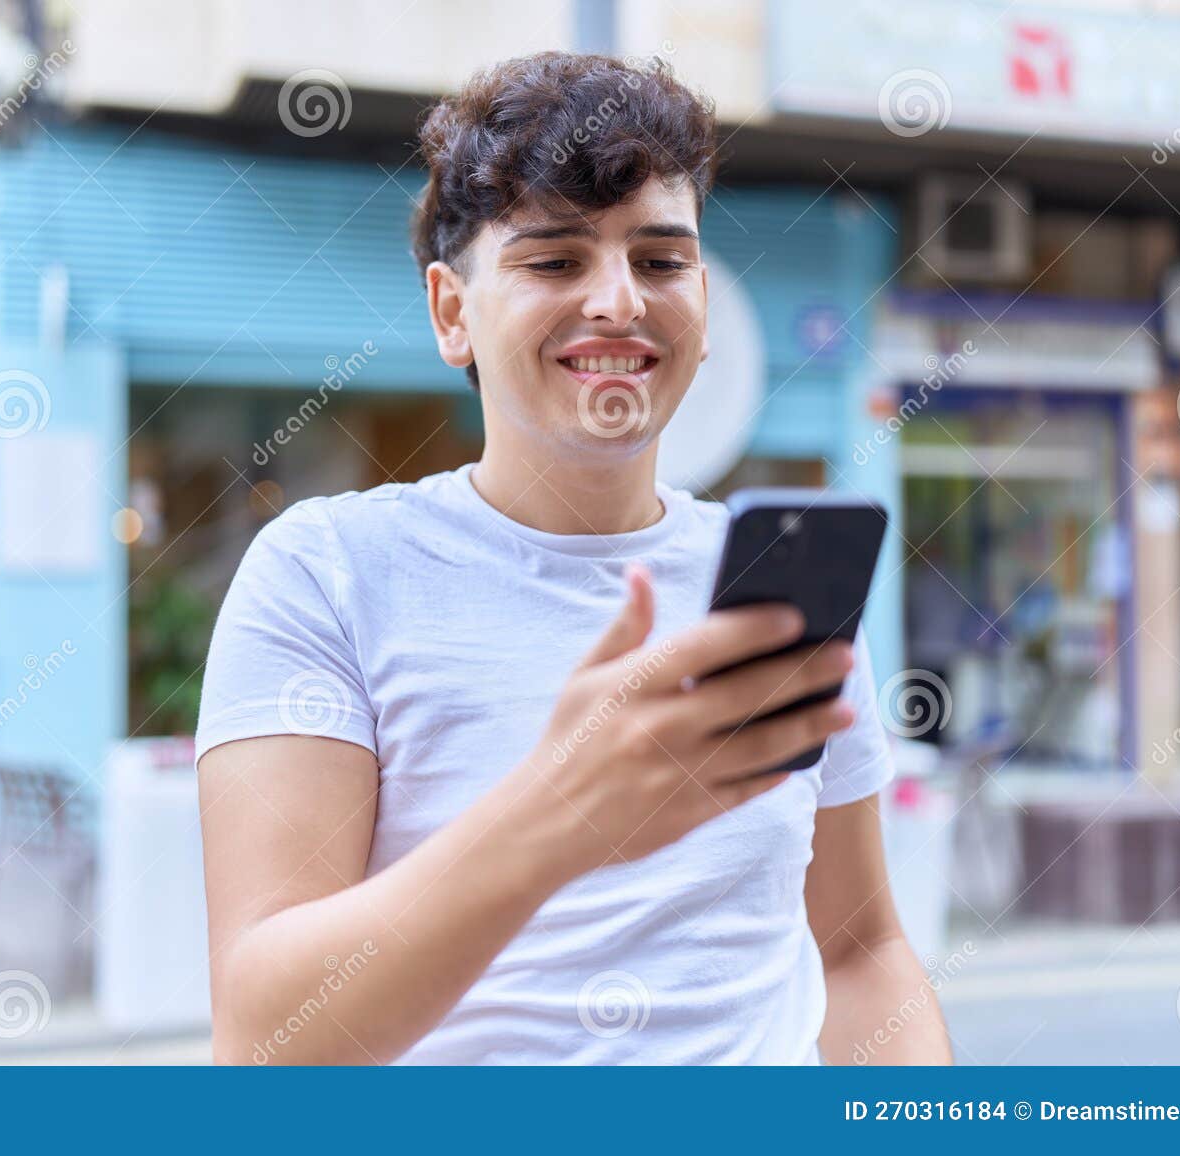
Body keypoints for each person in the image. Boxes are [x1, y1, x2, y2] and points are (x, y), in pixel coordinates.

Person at [195, 51, 951, 1065]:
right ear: (451, 312)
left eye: (660, 260)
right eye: (554, 261)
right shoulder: (327, 573)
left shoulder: (774, 588)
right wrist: (559, 808)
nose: (618, 302)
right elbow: (264, 1039)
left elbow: (861, 951)